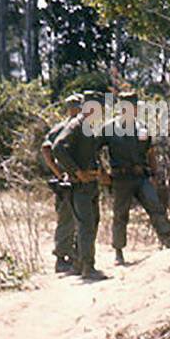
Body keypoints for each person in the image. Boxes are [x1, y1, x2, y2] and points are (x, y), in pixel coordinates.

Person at [100, 90, 170, 265]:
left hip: (141, 177)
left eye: (133, 106)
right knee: (120, 214)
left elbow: (150, 152)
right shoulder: (109, 128)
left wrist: (155, 174)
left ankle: (166, 240)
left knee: (155, 206)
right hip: (120, 178)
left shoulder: (142, 128)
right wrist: (102, 173)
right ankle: (118, 251)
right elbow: (95, 151)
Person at [51, 98, 109, 281]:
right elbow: (57, 147)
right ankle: (88, 267)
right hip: (80, 185)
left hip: (91, 184)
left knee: (92, 223)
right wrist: (76, 172)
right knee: (85, 225)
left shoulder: (89, 126)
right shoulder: (77, 125)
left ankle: (78, 263)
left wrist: (100, 172)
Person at [39, 94, 82, 274]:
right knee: (68, 218)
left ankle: (72, 256)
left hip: (73, 178)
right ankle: (62, 257)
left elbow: (46, 151)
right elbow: (47, 150)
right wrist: (61, 173)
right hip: (69, 180)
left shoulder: (60, 128)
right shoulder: (70, 127)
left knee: (73, 218)